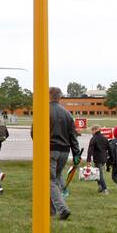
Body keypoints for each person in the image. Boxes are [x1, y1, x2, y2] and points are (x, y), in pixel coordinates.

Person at [49, 87, 81, 219]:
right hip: (64, 151)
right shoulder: (67, 114)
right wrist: (76, 154)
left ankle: (62, 209)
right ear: (60, 97)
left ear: (49, 96)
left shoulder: (43, 110)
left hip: (50, 149)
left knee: (49, 181)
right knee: (55, 179)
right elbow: (73, 136)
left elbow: (35, 132)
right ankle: (50, 210)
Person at [86, 125, 111, 193]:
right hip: (104, 159)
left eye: (92, 130)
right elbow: (109, 148)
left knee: (99, 174)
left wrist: (88, 160)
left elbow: (90, 150)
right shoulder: (104, 138)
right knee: (97, 173)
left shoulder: (93, 138)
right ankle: (100, 187)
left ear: (95, 130)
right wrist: (110, 158)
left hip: (98, 159)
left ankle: (105, 189)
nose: (91, 132)